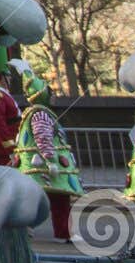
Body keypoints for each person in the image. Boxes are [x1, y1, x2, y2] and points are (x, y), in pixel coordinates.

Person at [13, 62, 83, 242]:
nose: (53, 96)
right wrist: (51, 160)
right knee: (60, 200)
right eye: (50, 92)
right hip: (46, 169)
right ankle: (63, 232)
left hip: (37, 168)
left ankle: (27, 229)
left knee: (37, 200)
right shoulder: (41, 114)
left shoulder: (32, 113)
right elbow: (43, 137)